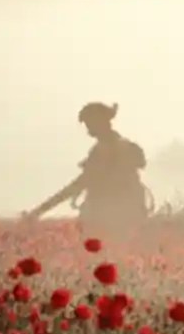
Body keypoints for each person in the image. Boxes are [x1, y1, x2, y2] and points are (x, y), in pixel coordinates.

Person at [24, 102, 150, 241]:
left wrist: (39, 211)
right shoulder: (125, 145)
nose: (87, 128)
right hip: (130, 213)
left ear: (100, 122)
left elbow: (79, 184)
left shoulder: (103, 150)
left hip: (106, 219)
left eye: (89, 123)